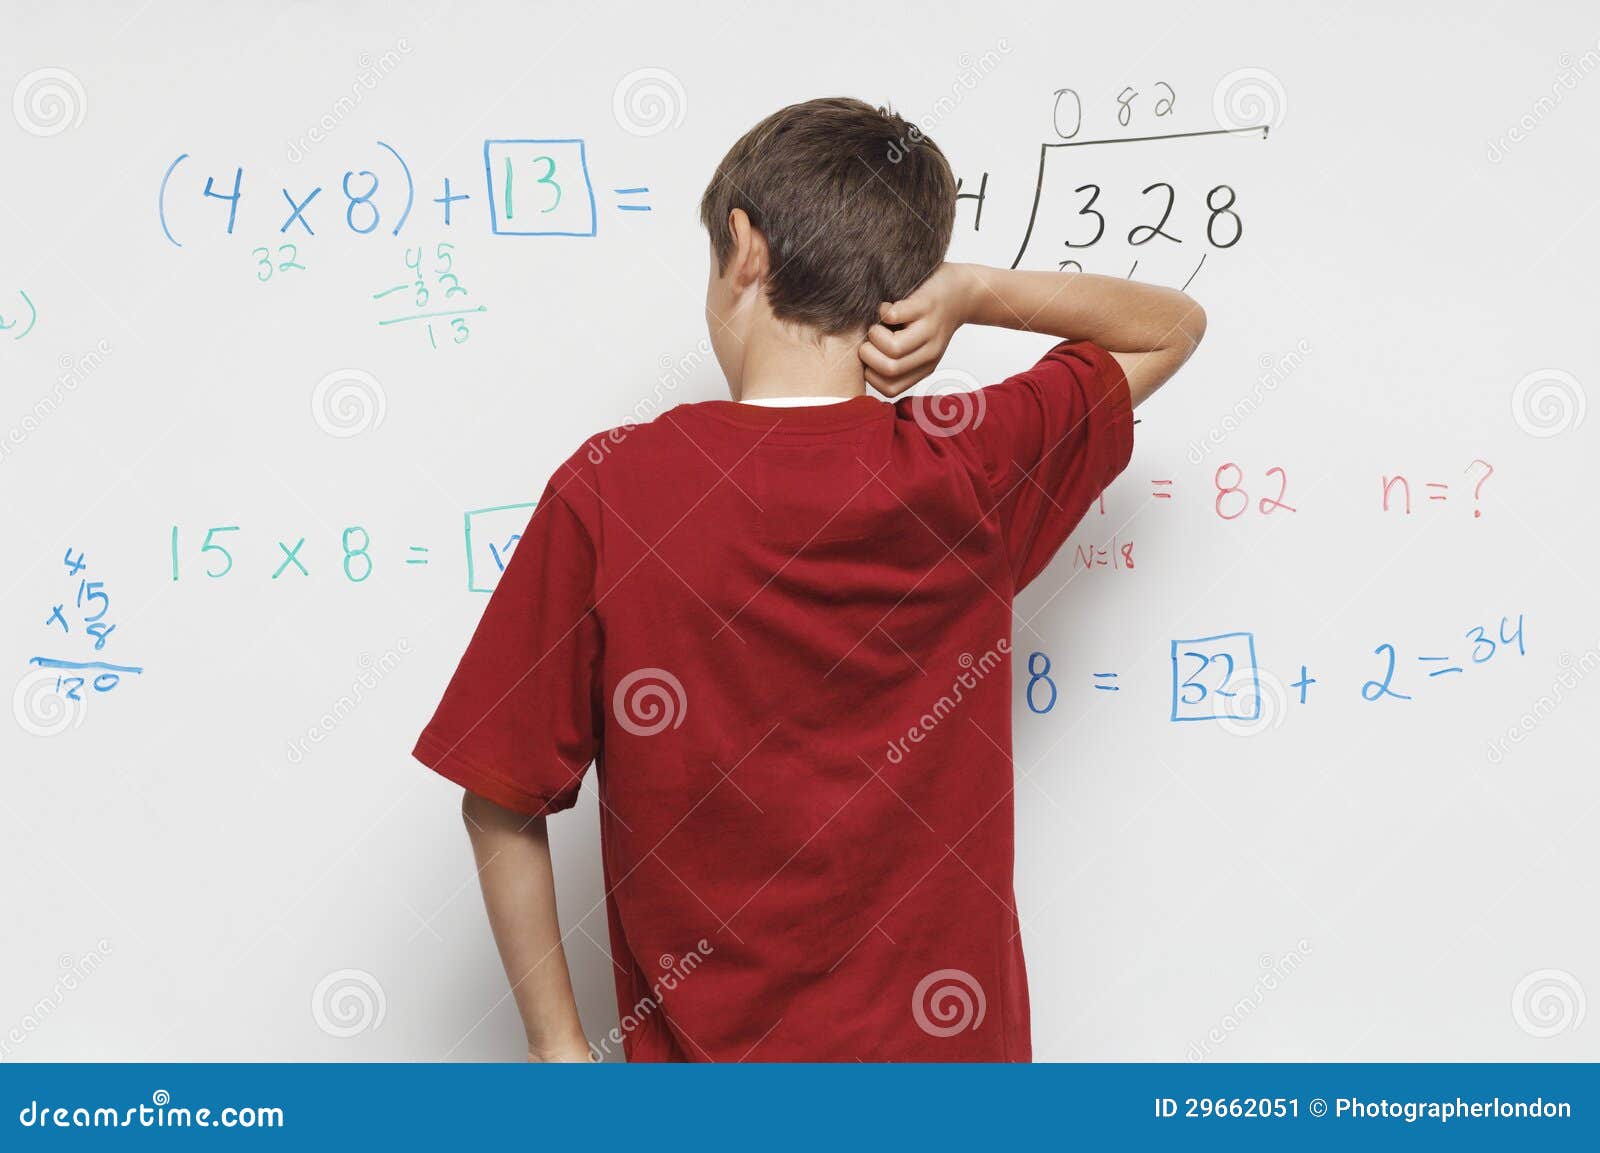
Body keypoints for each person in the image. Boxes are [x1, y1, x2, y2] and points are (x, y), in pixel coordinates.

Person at [413, 96, 1205, 1061]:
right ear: (898, 278)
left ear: (743, 249)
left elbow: (498, 793)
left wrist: (558, 1049)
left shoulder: (612, 488)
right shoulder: (972, 467)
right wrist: (969, 292)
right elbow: (1169, 325)